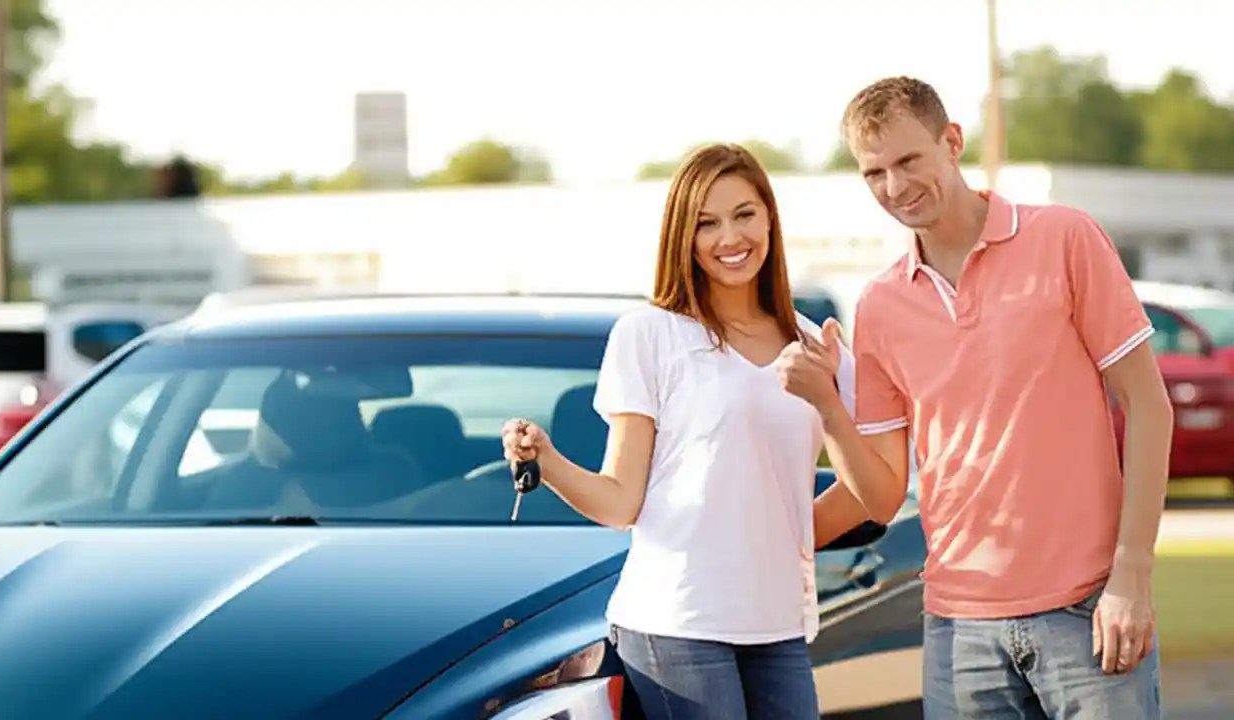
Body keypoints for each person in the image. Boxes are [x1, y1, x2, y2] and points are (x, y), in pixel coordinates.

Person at [778, 76, 1174, 719]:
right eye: (874, 172)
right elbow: (878, 492)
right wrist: (825, 411)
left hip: (1089, 611)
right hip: (960, 629)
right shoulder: (880, 306)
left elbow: (1149, 406)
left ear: (951, 141)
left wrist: (1131, 575)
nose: (895, 187)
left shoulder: (1064, 238)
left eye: (909, 161)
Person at [500, 143, 894, 720]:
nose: (728, 238)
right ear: (683, 235)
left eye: (743, 215)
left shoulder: (817, 346)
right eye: (706, 223)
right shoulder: (649, 335)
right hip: (677, 622)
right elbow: (620, 502)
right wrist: (549, 459)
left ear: (769, 219)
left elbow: (874, 493)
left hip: (777, 622)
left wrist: (791, 527)